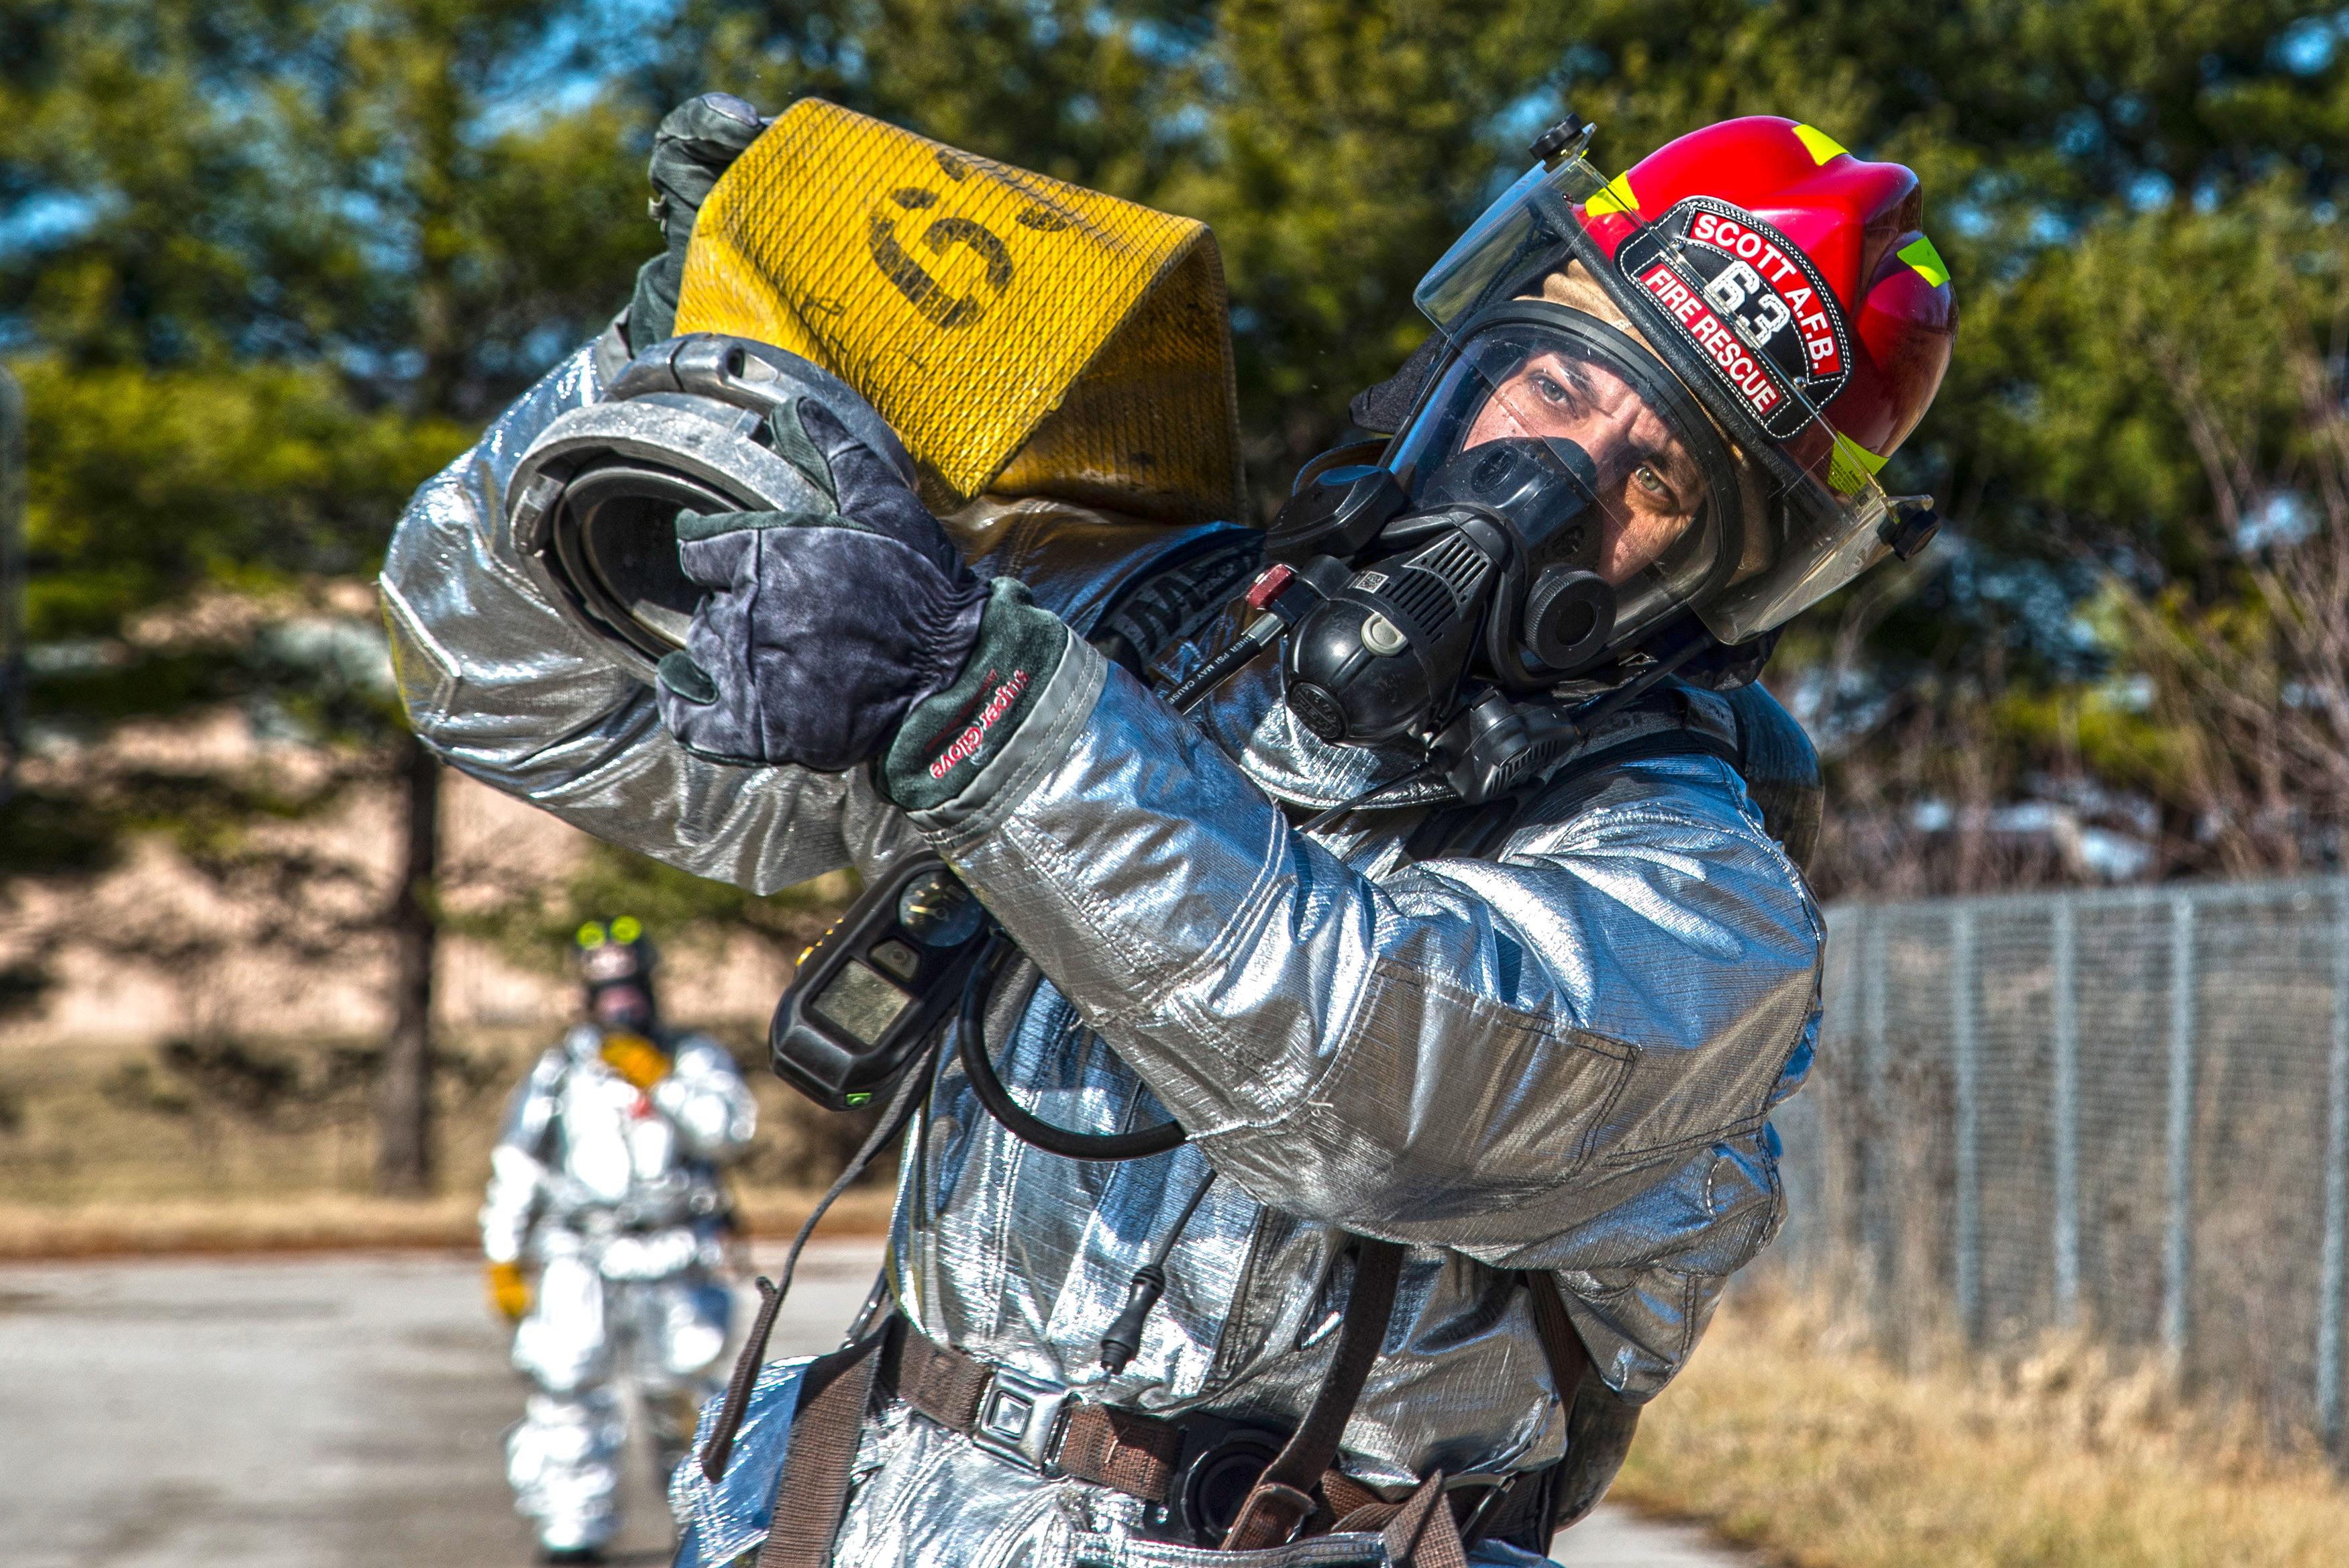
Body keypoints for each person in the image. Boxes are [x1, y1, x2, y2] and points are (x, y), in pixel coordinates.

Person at [386, 99, 1954, 1567]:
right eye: (1550, 383)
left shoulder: (1698, 892)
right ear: (1463, 363)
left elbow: (1367, 1084)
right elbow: (508, 692)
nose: (1547, 483)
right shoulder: (1147, 629)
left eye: (1658, 479)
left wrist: (986, 707)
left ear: (1728, 585)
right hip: (853, 1508)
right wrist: (662, 378)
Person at [480, 917, 758, 1561]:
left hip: (675, 1254)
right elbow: (516, 1169)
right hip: (579, 1258)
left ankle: (706, 1532)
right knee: (568, 1393)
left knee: (689, 1398)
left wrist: (659, 1077)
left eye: (631, 987)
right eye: (606, 991)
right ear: (586, 995)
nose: (620, 1003)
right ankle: (572, 1538)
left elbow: (729, 1133)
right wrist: (502, 1256)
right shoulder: (557, 1072)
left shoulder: (691, 1058)